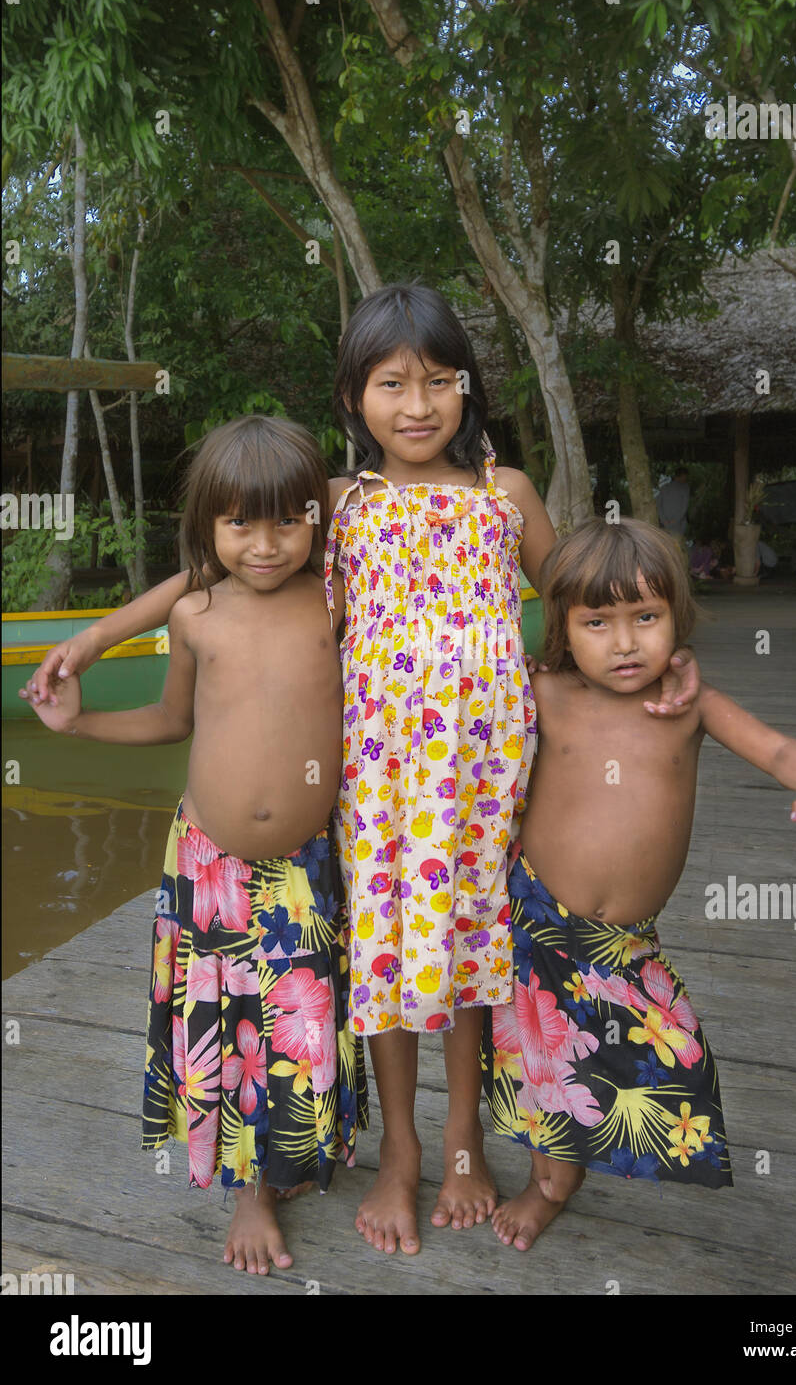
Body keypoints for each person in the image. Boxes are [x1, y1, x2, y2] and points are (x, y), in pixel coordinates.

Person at [23, 283, 702, 1258]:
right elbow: (203, 579)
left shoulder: (503, 495)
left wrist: (652, 664)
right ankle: (401, 1151)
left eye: (438, 382)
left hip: (483, 784)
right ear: (353, 397)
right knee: (385, 964)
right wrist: (91, 639)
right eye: (392, 383)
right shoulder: (336, 505)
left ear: (468, 390)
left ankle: (465, 1139)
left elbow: (582, 599)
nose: (417, 405)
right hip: (376, 789)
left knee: (471, 959)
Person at [481, 515, 796, 1252]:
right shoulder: (544, 693)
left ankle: (587, 1160)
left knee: (674, 1056)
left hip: (624, 945)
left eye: (645, 618)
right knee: (543, 1063)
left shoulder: (688, 707)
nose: (623, 643)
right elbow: (483, 653)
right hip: (537, 918)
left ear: (676, 619)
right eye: (597, 622)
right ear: (562, 628)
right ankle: (549, 1183)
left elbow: (778, 750)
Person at [22, 416, 368, 1275]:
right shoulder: (196, 614)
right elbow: (172, 721)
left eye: (288, 519)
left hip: (306, 864)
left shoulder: (336, 598)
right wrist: (83, 720)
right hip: (207, 863)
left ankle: (290, 1161)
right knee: (231, 1022)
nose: (264, 543)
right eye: (239, 523)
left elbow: (367, 504)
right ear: (207, 529)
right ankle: (250, 1192)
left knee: (302, 1020)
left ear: (316, 519)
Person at [656, 466, 690, 540]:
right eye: (685, 476)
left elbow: (684, 507)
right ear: (680, 476)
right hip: (670, 524)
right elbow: (658, 504)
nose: (686, 479)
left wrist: (668, 521)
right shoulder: (665, 485)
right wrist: (665, 521)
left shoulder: (685, 487)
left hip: (675, 524)